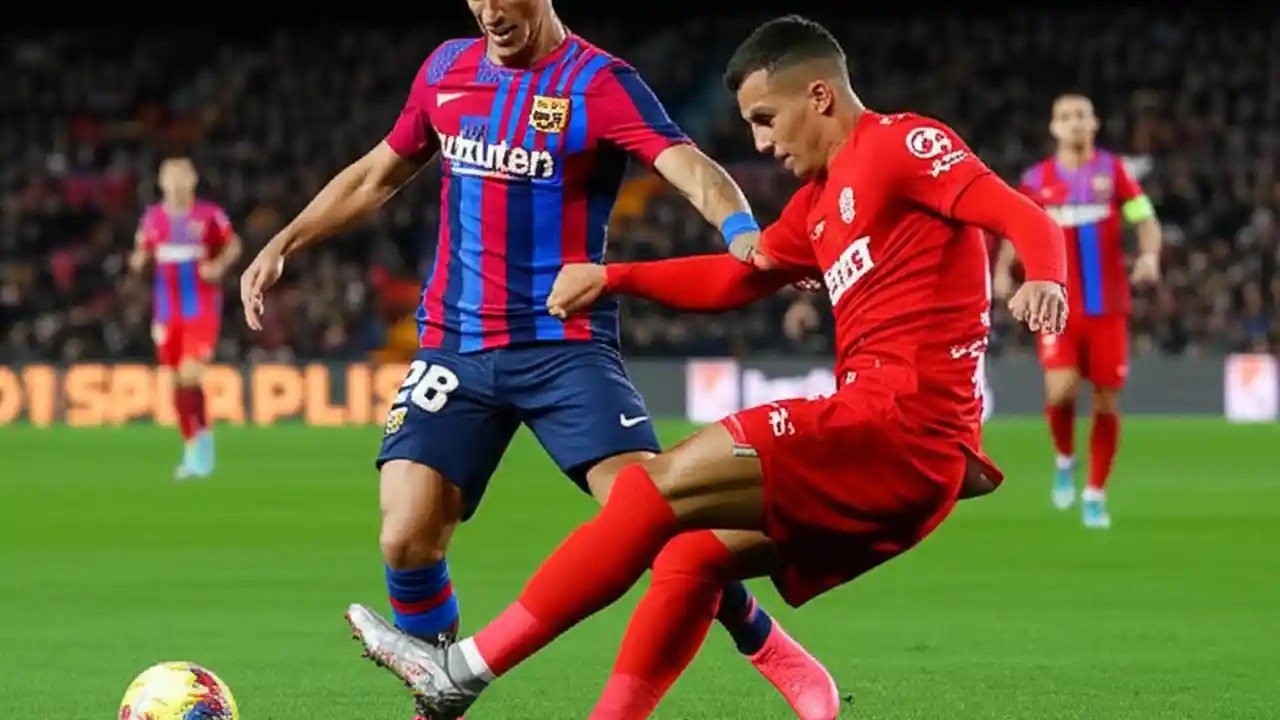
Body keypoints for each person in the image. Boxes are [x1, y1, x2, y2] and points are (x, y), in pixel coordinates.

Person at [343, 14, 1069, 719]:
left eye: (764, 117)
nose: (761, 141)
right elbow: (734, 281)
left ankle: (460, 669)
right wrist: (615, 278)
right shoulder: (818, 207)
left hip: (893, 426)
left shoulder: (902, 144)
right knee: (691, 557)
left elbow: (1023, 214)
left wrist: (1045, 277)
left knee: (649, 492)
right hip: (899, 465)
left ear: (819, 95)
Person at [239, 2, 835, 719]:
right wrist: (284, 242)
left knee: (651, 515)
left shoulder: (602, 83)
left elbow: (694, 172)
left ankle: (770, 645)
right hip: (455, 346)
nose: (491, 11)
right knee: (405, 537)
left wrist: (744, 236)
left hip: (564, 347)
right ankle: (439, 690)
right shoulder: (446, 70)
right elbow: (376, 174)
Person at [993, 93, 1162, 528]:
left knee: (1105, 400)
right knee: (1061, 390)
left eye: (1082, 115)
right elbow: (1017, 226)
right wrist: (1003, 270)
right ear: (1053, 128)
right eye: (1065, 117)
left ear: (1095, 123)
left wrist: (1148, 256)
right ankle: (1066, 458)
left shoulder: (1114, 172)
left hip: (1108, 306)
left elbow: (1144, 217)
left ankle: (1095, 492)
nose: (1074, 123)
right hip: (1057, 303)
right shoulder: (1037, 179)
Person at [130, 156, 241, 479]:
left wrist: (219, 266)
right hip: (166, 311)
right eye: (170, 176)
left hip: (200, 310)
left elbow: (233, 244)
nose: (177, 182)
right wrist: (138, 260)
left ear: (192, 180)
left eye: (182, 175)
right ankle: (193, 442)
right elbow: (140, 251)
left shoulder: (208, 216)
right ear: (162, 182)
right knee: (178, 381)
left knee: (191, 374)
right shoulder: (153, 219)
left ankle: (201, 448)